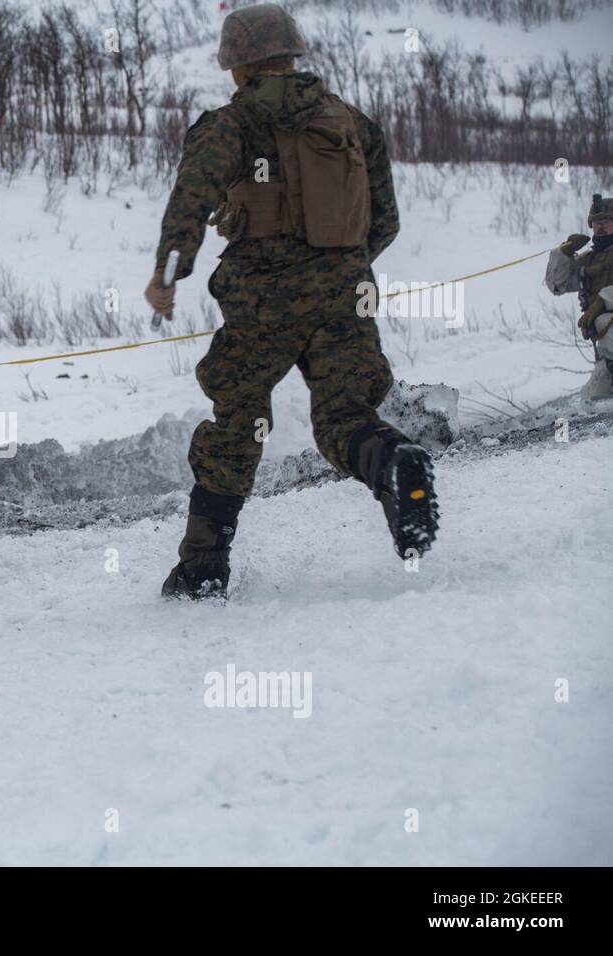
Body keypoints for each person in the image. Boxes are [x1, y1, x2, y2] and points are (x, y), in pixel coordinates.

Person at [143, 2, 438, 601]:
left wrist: (169, 273)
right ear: (292, 53)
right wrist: (338, 269)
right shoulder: (351, 123)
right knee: (345, 415)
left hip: (263, 301)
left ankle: (203, 568)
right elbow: (384, 220)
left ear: (236, 65)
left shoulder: (231, 124)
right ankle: (393, 462)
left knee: (239, 421)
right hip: (345, 294)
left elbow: (190, 200)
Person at [545, 194, 613, 400]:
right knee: (593, 399)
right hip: (605, 345)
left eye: (607, 222)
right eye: (596, 223)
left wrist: (602, 301)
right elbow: (557, 285)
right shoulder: (589, 260)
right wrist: (563, 253)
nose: (600, 227)